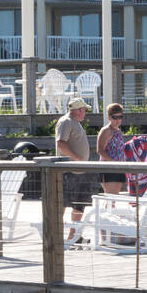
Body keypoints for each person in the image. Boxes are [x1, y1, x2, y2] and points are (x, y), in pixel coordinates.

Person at [54, 97, 95, 245]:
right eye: (84, 110)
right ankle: (55, 234)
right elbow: (61, 144)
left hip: (80, 171)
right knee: (62, 203)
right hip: (69, 171)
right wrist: (77, 158)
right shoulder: (66, 121)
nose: (85, 113)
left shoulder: (75, 123)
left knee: (79, 204)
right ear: (78, 110)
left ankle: (74, 236)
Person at [96, 102, 127, 195]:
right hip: (108, 168)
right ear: (109, 117)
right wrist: (113, 162)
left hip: (118, 167)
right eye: (115, 117)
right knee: (111, 198)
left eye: (120, 117)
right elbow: (100, 150)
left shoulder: (117, 130)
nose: (117, 120)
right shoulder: (106, 131)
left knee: (114, 198)